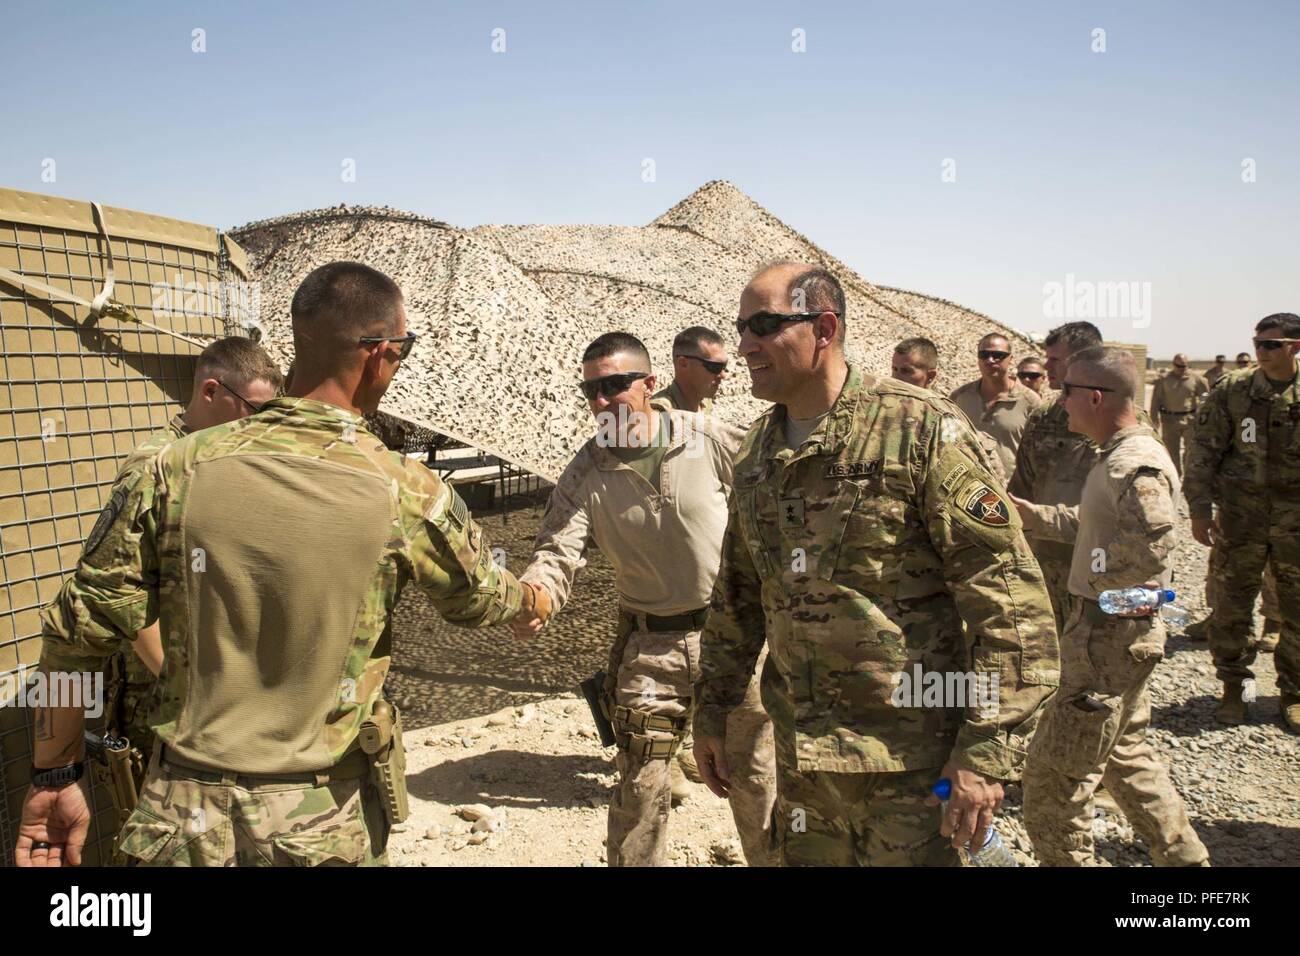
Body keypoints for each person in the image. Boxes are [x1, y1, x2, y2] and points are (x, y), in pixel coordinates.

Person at [17, 261, 547, 867]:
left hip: (178, 820)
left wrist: (54, 778)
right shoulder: (406, 490)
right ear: (381, 357)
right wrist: (536, 598)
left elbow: (74, 631)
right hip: (319, 827)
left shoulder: (171, 469)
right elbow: (479, 600)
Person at [693, 262, 1059, 866]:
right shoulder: (759, 450)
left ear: (825, 327)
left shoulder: (918, 429)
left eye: (763, 325)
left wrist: (984, 752)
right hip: (805, 765)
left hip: (909, 768)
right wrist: (713, 709)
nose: (744, 346)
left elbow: (1010, 600)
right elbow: (737, 594)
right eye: (741, 328)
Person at [515, 332, 777, 866]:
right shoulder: (587, 471)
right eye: (592, 389)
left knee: (754, 780)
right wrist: (536, 594)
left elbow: (774, 484)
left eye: (615, 384)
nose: (602, 400)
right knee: (640, 789)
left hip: (732, 640)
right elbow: (556, 548)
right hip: (651, 650)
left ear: (651, 384)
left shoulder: (704, 436)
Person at [43, 337, 281, 854]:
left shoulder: (227, 458)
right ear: (212, 392)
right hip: (162, 706)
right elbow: (113, 601)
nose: (263, 426)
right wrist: (190, 690)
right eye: (257, 411)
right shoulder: (159, 465)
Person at [1013, 347, 1209, 867]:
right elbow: (1100, 529)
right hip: (1112, 641)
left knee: (1054, 786)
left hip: (1106, 646)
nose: (1060, 401)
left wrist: (1102, 626)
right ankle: (1186, 862)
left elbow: (1146, 567)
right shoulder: (1118, 455)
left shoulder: (1133, 465)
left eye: (1067, 391)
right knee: (1127, 758)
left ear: (1095, 397)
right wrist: (1036, 517)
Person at [1184, 313, 1300, 732]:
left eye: (1272, 344)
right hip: (1240, 518)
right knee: (1232, 606)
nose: (1261, 352)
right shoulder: (1233, 391)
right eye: (1258, 343)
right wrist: (1198, 508)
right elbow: (1202, 452)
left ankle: (1294, 692)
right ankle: (1234, 687)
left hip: (1295, 522)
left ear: (1295, 346)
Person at [1009, 321, 1106, 634]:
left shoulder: (1116, 420)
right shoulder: (1043, 415)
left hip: (1096, 564)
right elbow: (1023, 484)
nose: (1046, 365)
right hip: (1044, 559)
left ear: (1084, 361)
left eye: (1055, 359)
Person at [947, 332, 1043, 476]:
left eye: (998, 355)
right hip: (967, 488)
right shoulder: (959, 397)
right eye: (984, 355)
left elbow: (1041, 455)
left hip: (1009, 493)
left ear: (1010, 359)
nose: (990, 360)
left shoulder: (1031, 402)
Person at [1148, 353, 1208, 476]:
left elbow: (1206, 399)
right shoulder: (1163, 380)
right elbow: (1155, 401)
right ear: (1173, 364)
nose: (1181, 369)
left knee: (1191, 450)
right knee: (1171, 451)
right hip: (1170, 420)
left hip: (1190, 420)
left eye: (1184, 366)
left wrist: (1205, 418)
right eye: (1178, 366)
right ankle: (1175, 475)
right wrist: (1154, 419)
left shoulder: (1197, 379)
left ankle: (1188, 476)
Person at [651, 326, 728, 414]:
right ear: (683, 364)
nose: (723, 375)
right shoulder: (660, 412)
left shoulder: (704, 403)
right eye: (714, 367)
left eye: (724, 366)